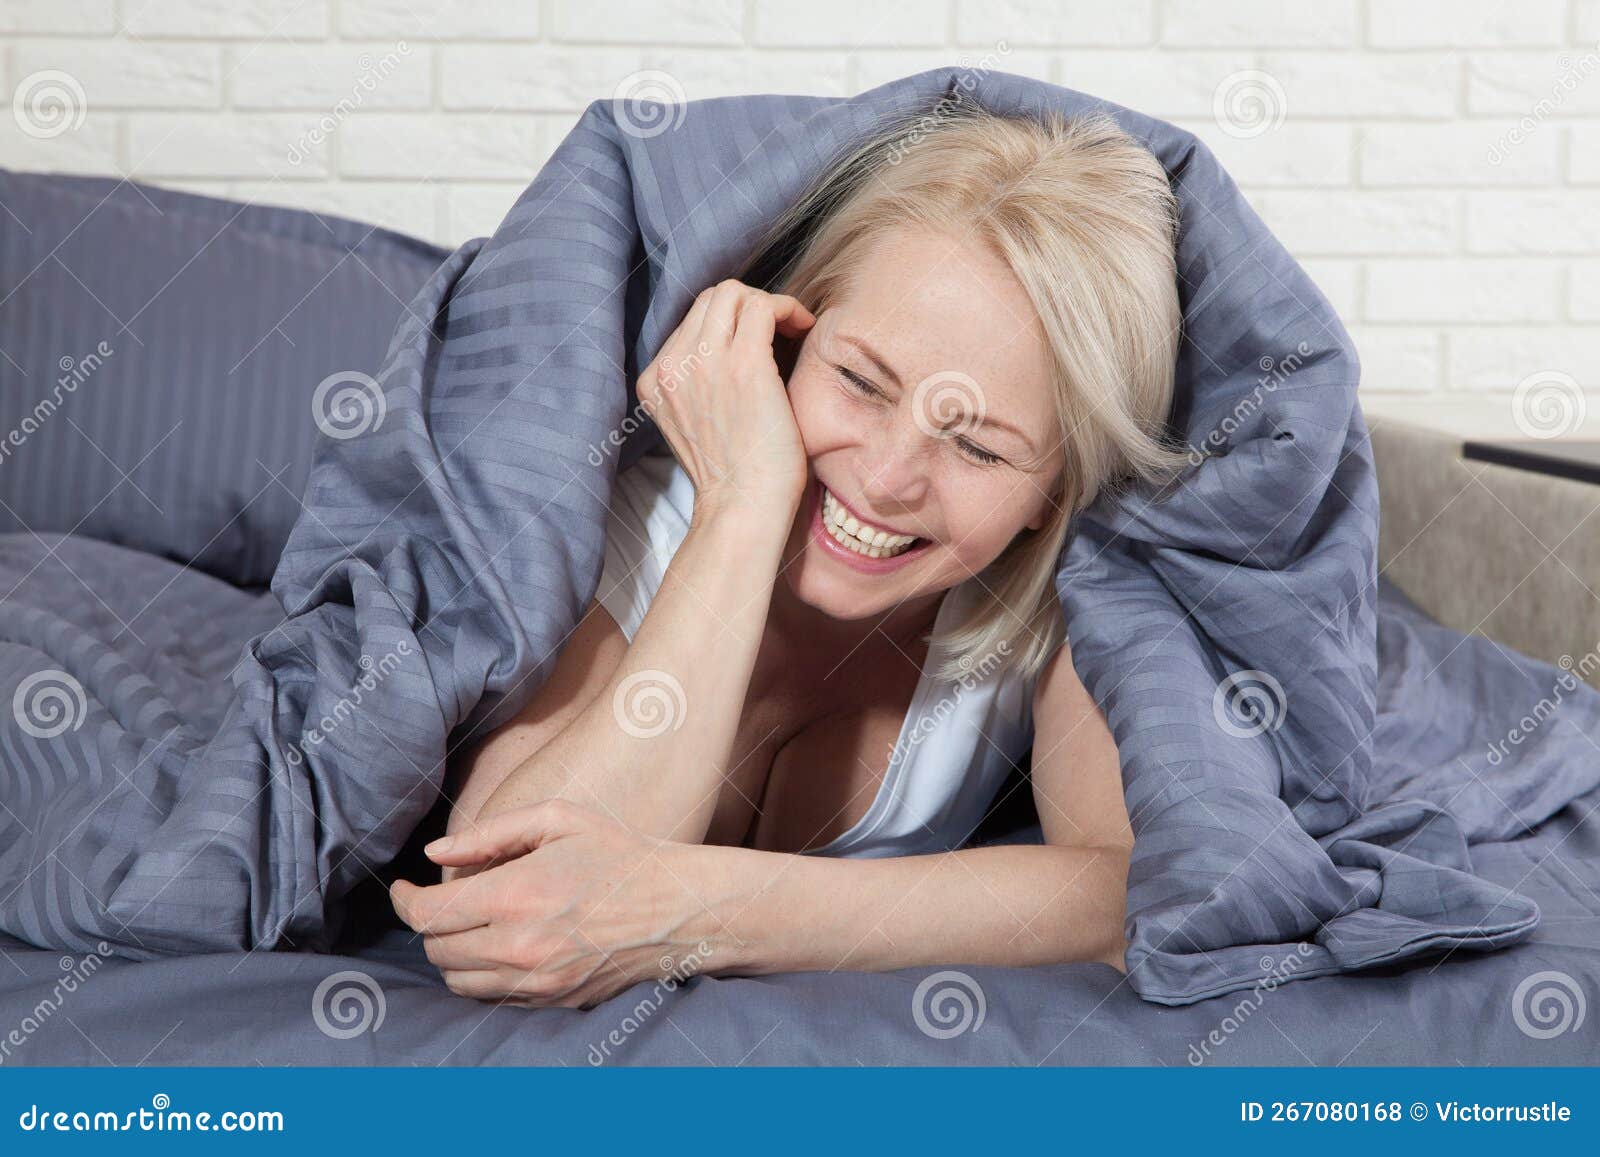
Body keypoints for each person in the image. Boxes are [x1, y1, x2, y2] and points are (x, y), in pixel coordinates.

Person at [390, 102, 1187, 1009]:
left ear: (1053, 496)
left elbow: (1131, 890)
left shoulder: (1054, 608)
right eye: (857, 380)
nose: (888, 480)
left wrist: (706, 907)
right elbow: (500, 908)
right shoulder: (616, 533)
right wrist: (738, 506)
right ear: (782, 344)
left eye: (978, 447)